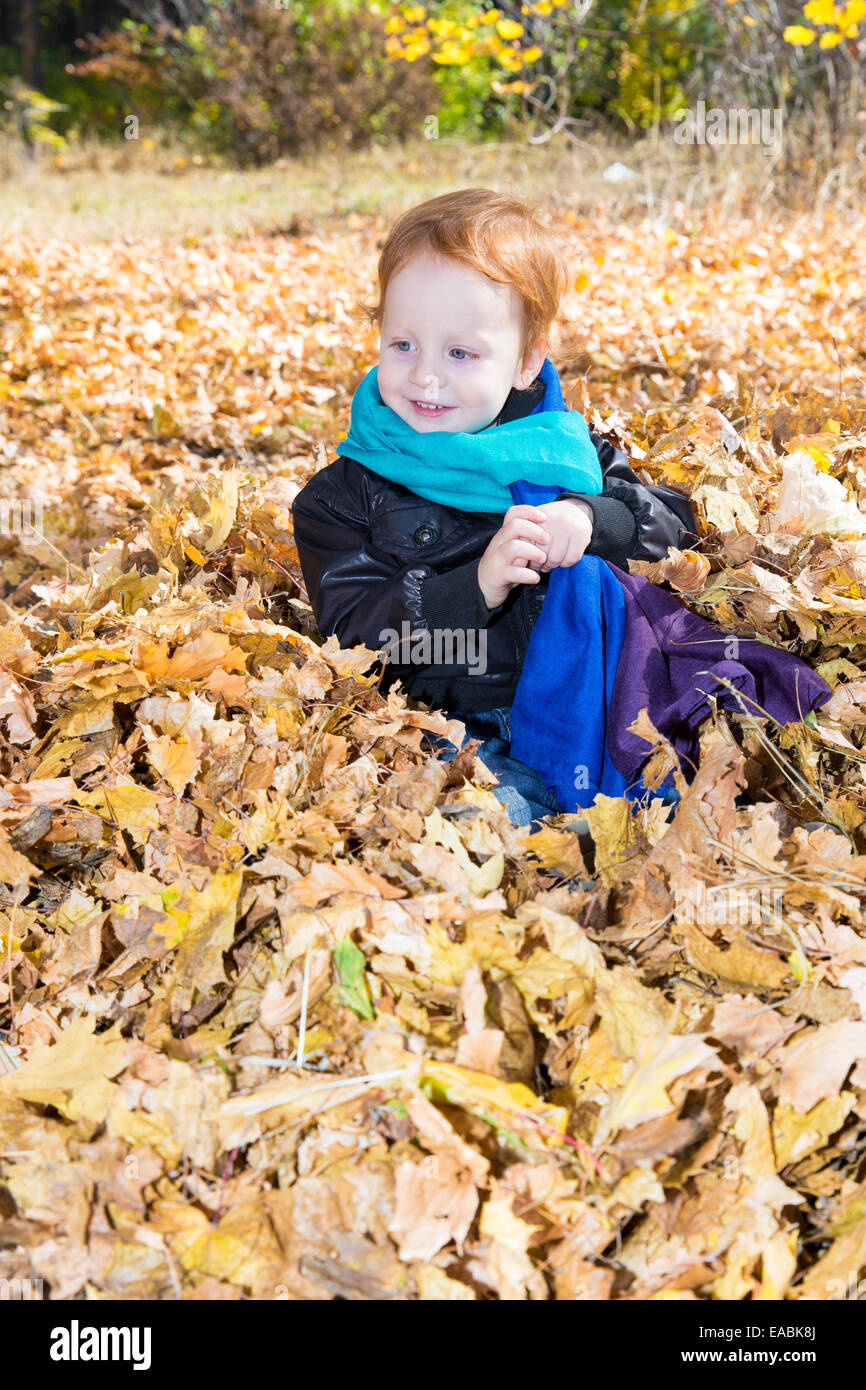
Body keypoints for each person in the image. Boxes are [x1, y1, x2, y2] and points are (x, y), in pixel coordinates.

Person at [290, 188, 702, 838]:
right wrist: (472, 586)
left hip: (595, 699)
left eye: (460, 353)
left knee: (675, 775)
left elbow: (675, 526)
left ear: (526, 360)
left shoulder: (565, 454)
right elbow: (354, 635)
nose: (426, 377)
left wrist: (592, 520)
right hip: (454, 718)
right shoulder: (342, 495)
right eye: (403, 344)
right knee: (450, 810)